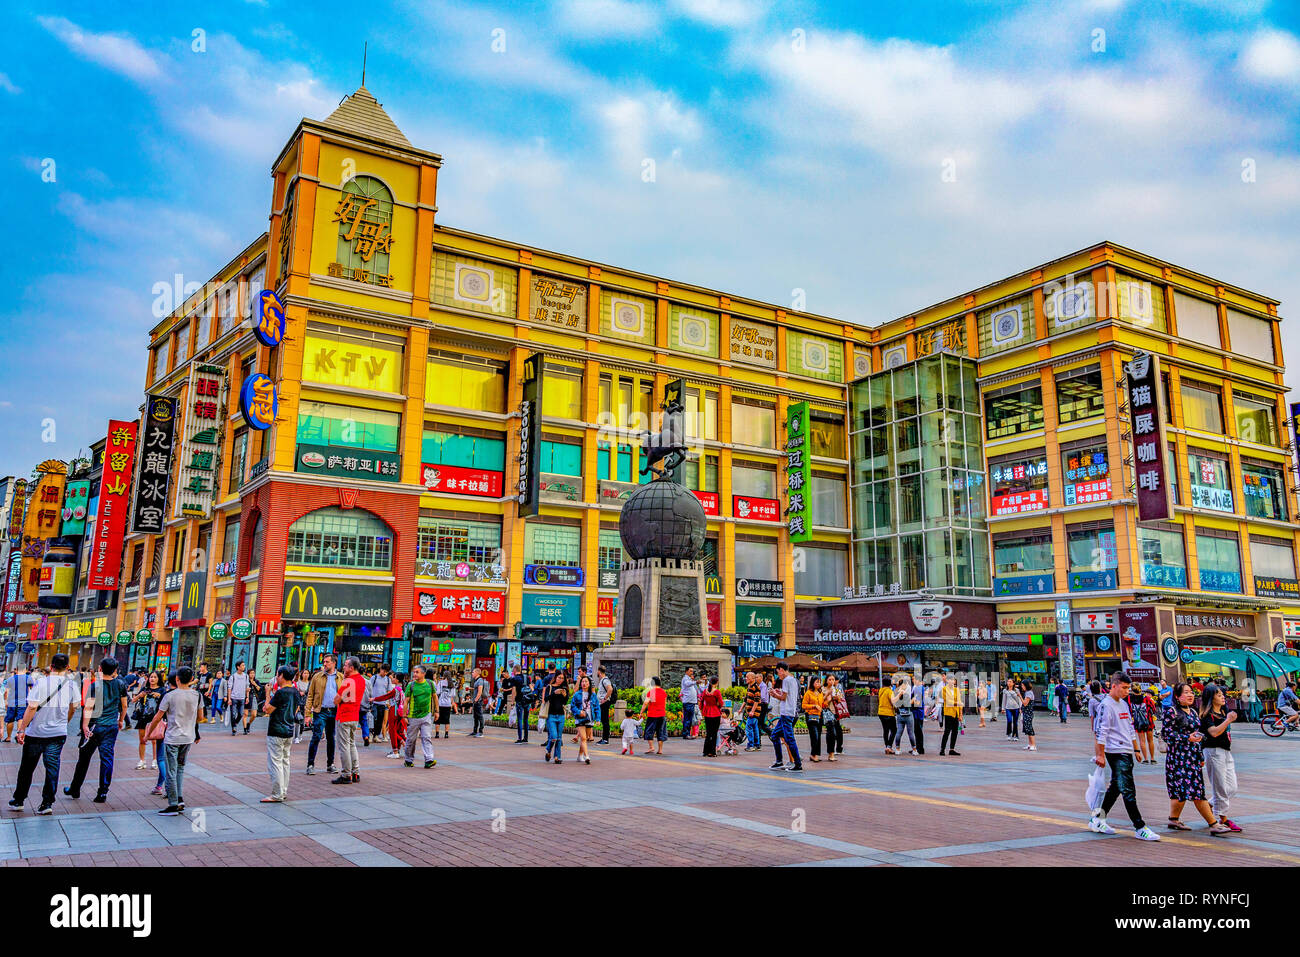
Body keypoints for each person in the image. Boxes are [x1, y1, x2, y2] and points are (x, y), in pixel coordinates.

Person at [1089, 673, 1160, 841]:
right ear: (1114, 686)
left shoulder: (1123, 704)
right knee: (1128, 789)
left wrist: (1136, 749)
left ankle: (1098, 819)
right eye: (1124, 688)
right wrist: (1100, 754)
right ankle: (1139, 826)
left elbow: (1129, 727)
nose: (1127, 691)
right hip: (1115, 752)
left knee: (1115, 788)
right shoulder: (1106, 705)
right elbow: (1100, 732)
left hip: (1126, 751)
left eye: (1128, 688)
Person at [7, 653, 78, 814]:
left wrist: (22, 729)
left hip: (36, 733)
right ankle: (47, 803)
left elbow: (32, 707)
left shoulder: (41, 683)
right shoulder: (72, 685)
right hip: (58, 733)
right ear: (67, 668)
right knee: (52, 768)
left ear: (51, 666)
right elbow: (74, 708)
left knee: (27, 768)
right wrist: (64, 722)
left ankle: (19, 800)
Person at [1161, 682, 1229, 835]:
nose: (1190, 695)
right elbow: (1166, 735)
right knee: (1195, 791)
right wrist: (1187, 738)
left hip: (1192, 756)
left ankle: (1174, 819)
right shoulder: (1171, 712)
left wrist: (1199, 754)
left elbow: (1197, 733)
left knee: (1181, 791)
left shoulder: (1192, 712)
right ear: (1177, 697)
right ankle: (1213, 823)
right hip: (1179, 758)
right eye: (1186, 692)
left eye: (1191, 692)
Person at [63, 657, 128, 803]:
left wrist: (84, 725)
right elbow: (124, 706)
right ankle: (102, 792)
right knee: (107, 758)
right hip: (111, 726)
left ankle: (75, 788)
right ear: (115, 670)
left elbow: (89, 707)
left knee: (84, 758)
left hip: (94, 726)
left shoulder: (95, 686)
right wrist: (120, 720)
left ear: (100, 669)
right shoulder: (120, 684)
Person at [149, 666, 201, 816]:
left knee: (171, 770)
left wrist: (148, 734)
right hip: (188, 737)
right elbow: (201, 717)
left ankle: (173, 804)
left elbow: (158, 717)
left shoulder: (170, 696)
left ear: (177, 679)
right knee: (180, 768)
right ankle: (179, 799)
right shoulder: (197, 695)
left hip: (172, 737)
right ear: (192, 679)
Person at [1200, 686, 1241, 833]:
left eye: (1223, 694)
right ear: (1211, 698)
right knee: (1220, 787)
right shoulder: (1207, 716)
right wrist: (1228, 720)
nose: (1223, 697)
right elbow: (1214, 733)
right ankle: (1222, 819)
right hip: (1213, 751)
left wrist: (1227, 719)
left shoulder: (1222, 713)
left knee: (1232, 787)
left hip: (1226, 751)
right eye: (1219, 695)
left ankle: (1209, 805)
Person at [261, 665, 299, 803]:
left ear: (282, 675)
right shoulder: (295, 691)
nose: (277, 677)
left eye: (278, 674)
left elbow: (267, 709)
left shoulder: (280, 693)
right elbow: (296, 709)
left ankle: (277, 794)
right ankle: (283, 791)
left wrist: (267, 693)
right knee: (285, 761)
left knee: (275, 762)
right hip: (289, 730)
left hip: (276, 730)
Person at [303, 653, 340, 775]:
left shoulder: (341, 677)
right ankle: (310, 764)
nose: (324, 664)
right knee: (316, 736)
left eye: (327, 662)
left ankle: (331, 764)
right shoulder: (317, 677)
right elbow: (310, 695)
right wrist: (307, 714)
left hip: (334, 711)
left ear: (334, 663)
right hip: (320, 711)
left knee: (331, 738)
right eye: (324, 662)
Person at [332, 657, 366, 784]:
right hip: (354, 716)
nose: (344, 667)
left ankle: (346, 774)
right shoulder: (362, 680)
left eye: (346, 665)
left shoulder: (348, 681)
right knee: (352, 744)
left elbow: (337, 699)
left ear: (351, 668)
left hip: (344, 716)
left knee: (344, 746)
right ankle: (355, 772)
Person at [768, 662, 803, 773]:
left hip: (787, 713)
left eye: (778, 673)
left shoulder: (786, 680)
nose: (778, 675)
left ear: (781, 670)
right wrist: (779, 692)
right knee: (774, 735)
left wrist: (774, 695)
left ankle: (798, 764)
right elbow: (788, 695)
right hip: (788, 713)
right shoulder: (793, 680)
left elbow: (783, 698)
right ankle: (779, 761)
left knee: (789, 738)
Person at [130, 671, 164, 772]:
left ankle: (155, 760)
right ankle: (142, 760)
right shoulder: (145, 689)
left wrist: (159, 696)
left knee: (154, 740)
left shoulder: (162, 690)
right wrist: (140, 695)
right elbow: (133, 700)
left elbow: (166, 702)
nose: (152, 679)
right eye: (151, 677)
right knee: (142, 739)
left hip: (155, 718)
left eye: (154, 677)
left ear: (158, 679)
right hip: (143, 717)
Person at [403, 665, 435, 768]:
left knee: (426, 737)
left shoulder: (430, 684)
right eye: (414, 672)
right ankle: (408, 759)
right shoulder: (411, 685)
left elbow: (435, 697)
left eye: (417, 672)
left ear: (423, 674)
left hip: (426, 715)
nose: (415, 674)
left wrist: (437, 711)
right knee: (411, 740)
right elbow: (406, 700)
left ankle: (429, 759)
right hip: (413, 716)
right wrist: (404, 716)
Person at [570, 674, 599, 765]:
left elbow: (597, 707)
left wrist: (598, 719)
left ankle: (580, 756)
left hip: (590, 718)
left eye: (586, 682)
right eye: (582, 682)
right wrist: (579, 712)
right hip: (580, 719)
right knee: (583, 738)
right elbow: (572, 706)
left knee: (585, 738)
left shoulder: (593, 695)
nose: (584, 683)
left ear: (589, 684)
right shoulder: (577, 694)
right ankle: (587, 757)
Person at [2, 667, 34, 742]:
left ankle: (9, 737)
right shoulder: (28, 678)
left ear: (16, 670)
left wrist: (6, 701)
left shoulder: (11, 678)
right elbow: (32, 689)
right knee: (21, 718)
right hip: (23, 701)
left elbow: (6, 691)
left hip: (12, 702)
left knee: (10, 719)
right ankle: (18, 734)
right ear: (25, 670)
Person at [544, 672, 569, 764]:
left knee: (559, 737)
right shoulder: (550, 687)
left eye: (562, 678)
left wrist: (565, 695)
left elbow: (565, 702)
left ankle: (557, 757)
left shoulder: (564, 688)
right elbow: (546, 699)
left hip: (561, 715)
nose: (560, 680)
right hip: (551, 715)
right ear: (555, 677)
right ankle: (548, 750)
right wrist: (554, 693)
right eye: (559, 677)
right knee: (553, 736)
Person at [640, 677, 668, 754]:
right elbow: (664, 703)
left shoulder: (652, 692)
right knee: (660, 731)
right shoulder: (663, 692)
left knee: (650, 731)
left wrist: (641, 712)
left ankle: (651, 747)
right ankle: (660, 750)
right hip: (662, 715)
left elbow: (646, 702)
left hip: (652, 715)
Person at [801, 676, 826, 762]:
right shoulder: (808, 693)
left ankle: (815, 754)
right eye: (817, 682)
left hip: (819, 716)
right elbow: (803, 705)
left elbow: (823, 704)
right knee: (814, 736)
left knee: (818, 736)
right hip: (810, 716)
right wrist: (814, 706)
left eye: (819, 682)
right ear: (812, 683)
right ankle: (813, 754)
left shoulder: (820, 693)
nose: (819, 684)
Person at [1129, 685, 1155, 763]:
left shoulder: (1130, 699)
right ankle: (1152, 758)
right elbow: (1153, 709)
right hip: (1148, 721)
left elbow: (1130, 710)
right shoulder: (1146, 699)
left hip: (1138, 722)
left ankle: (1146, 759)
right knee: (1150, 740)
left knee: (1142, 741)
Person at [892, 674, 917, 755]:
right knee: (911, 733)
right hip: (908, 715)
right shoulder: (906, 693)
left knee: (899, 732)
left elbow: (895, 705)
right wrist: (913, 700)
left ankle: (898, 749)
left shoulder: (896, 692)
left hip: (899, 715)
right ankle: (914, 750)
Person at [700, 676, 725, 758]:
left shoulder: (705, 691)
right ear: (717, 682)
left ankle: (705, 752)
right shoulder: (717, 692)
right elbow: (721, 703)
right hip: (715, 712)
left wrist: (702, 710)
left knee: (708, 733)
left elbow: (701, 701)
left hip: (707, 712)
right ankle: (712, 752)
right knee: (714, 734)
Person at [370, 664, 395, 743]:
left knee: (380, 720)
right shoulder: (374, 678)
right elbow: (369, 689)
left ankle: (376, 735)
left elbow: (389, 691)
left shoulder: (388, 680)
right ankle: (371, 734)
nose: (384, 673)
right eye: (383, 671)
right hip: (373, 702)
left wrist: (388, 702)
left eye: (386, 672)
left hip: (383, 703)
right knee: (373, 719)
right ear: (380, 669)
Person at [822, 674, 845, 762]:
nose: (832, 681)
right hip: (827, 712)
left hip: (835, 712)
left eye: (833, 679)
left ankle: (833, 752)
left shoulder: (836, 689)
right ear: (826, 680)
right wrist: (829, 695)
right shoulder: (823, 689)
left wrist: (837, 696)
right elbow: (824, 702)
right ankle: (831, 753)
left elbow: (840, 700)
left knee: (835, 732)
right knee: (832, 732)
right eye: (830, 679)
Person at [939, 674, 962, 756]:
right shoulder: (944, 689)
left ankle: (952, 749)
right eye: (950, 680)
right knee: (947, 731)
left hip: (956, 713)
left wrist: (960, 715)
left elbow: (960, 703)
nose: (952, 681)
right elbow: (948, 702)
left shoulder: (957, 690)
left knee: (955, 731)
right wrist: (957, 703)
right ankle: (942, 749)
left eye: (953, 680)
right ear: (947, 681)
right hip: (948, 713)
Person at [225, 661, 250, 736]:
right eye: (242, 665)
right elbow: (229, 688)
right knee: (233, 714)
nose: (244, 667)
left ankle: (234, 723)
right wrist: (229, 699)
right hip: (233, 698)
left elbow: (247, 687)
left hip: (242, 698)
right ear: (238, 667)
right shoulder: (233, 676)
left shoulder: (246, 676)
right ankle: (234, 729)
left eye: (244, 665)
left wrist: (247, 697)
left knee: (241, 714)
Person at [743, 672, 763, 752]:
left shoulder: (756, 687)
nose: (746, 679)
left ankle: (751, 745)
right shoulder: (749, 686)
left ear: (752, 678)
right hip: (751, 712)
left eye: (747, 677)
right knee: (755, 728)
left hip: (754, 712)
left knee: (749, 727)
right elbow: (746, 699)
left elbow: (757, 700)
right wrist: (741, 708)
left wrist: (752, 711)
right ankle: (757, 745)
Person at [596, 666, 616, 745]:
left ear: (599, 671)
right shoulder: (603, 680)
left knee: (605, 721)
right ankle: (604, 738)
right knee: (604, 721)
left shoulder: (605, 680)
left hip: (604, 703)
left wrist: (605, 698)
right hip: (603, 703)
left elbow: (610, 689)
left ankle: (605, 739)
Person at [877, 677, 896, 755]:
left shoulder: (881, 690)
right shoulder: (890, 691)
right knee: (894, 730)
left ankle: (886, 746)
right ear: (890, 683)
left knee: (885, 730)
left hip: (881, 713)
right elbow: (893, 702)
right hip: (889, 713)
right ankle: (889, 746)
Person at [434, 669, 455, 739]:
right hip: (448, 704)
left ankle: (437, 734)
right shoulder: (452, 684)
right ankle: (446, 734)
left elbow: (437, 692)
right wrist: (451, 704)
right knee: (447, 719)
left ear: (444, 675)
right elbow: (452, 696)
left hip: (440, 703)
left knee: (437, 719)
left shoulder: (440, 682)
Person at [470, 666, 490, 737]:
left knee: (480, 716)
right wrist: (471, 689)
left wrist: (476, 700)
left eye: (473, 672)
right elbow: (476, 689)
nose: (472, 673)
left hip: (478, 701)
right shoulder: (476, 681)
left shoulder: (480, 680)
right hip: (476, 701)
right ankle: (475, 731)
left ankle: (481, 732)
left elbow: (480, 691)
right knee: (475, 716)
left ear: (477, 673)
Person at [680, 668, 699, 740]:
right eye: (690, 671)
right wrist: (695, 682)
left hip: (691, 702)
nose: (692, 672)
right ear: (686, 671)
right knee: (687, 719)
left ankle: (687, 733)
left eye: (692, 671)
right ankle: (686, 734)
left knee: (690, 719)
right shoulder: (685, 679)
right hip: (688, 702)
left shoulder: (690, 679)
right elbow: (687, 684)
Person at [1021, 680, 1037, 752]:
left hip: (1028, 713)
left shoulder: (1029, 693)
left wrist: (1019, 696)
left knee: (1030, 729)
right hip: (1026, 712)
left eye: (1023, 685)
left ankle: (1033, 745)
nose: (1022, 687)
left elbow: (1025, 703)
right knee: (1027, 728)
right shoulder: (1027, 692)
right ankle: (1030, 744)